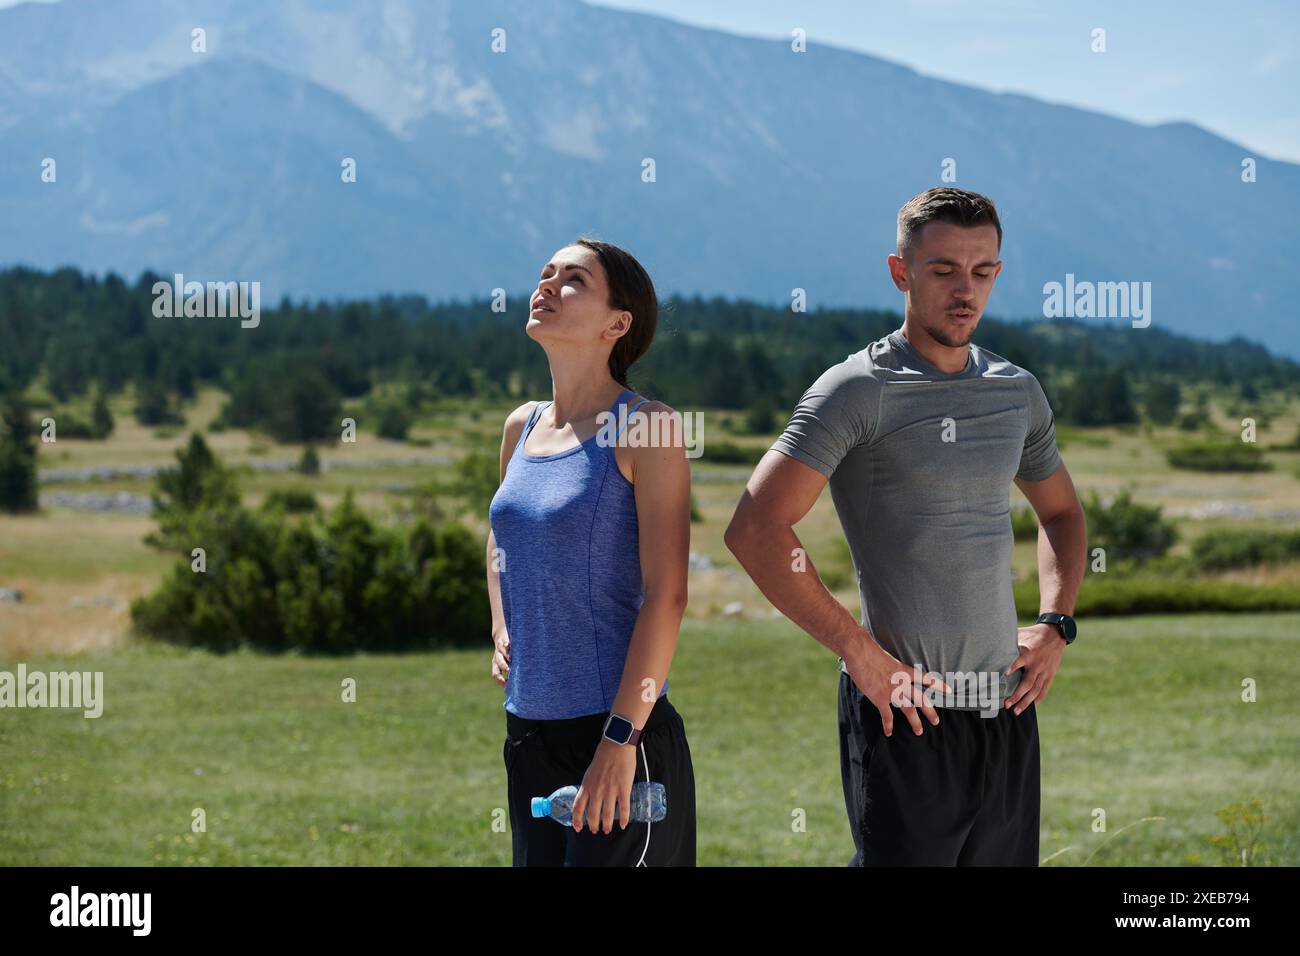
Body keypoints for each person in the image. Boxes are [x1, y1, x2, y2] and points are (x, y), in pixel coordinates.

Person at [725, 187, 1087, 866]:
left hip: (1008, 716)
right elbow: (754, 529)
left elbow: (1062, 513)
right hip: (904, 718)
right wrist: (859, 654)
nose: (965, 291)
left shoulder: (1017, 391)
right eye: (943, 269)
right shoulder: (856, 389)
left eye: (982, 272)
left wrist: (1056, 621)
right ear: (901, 272)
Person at [486, 236, 697, 866]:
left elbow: (669, 596)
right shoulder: (521, 426)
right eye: (545, 272)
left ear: (618, 323)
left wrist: (620, 740)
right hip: (529, 732)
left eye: (573, 279)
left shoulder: (648, 427)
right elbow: (502, 532)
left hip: (616, 734)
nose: (546, 285)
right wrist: (502, 621)